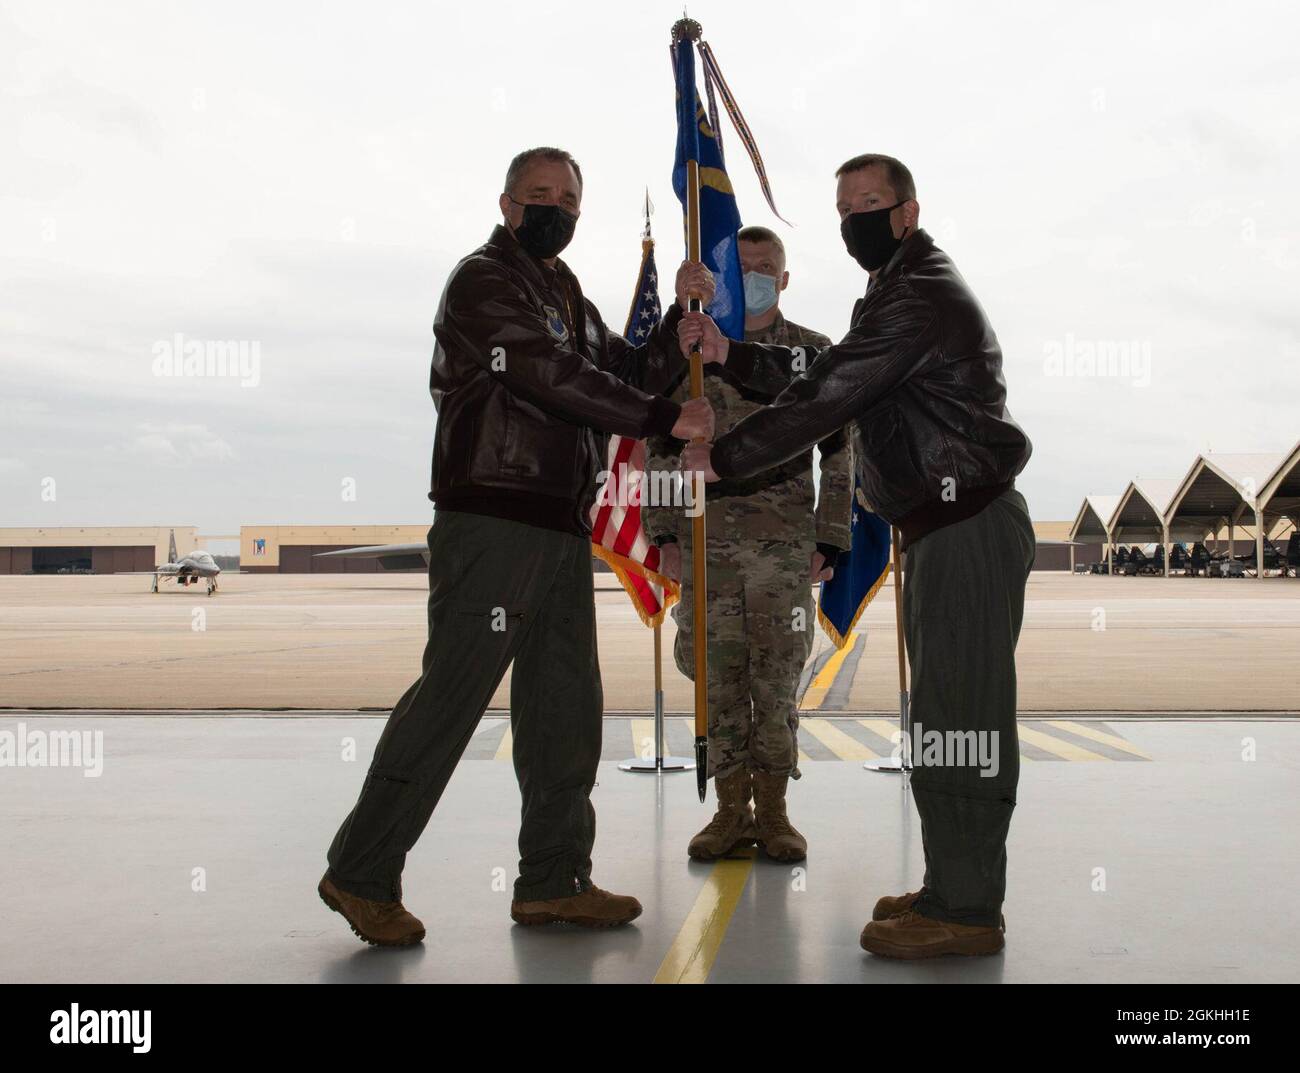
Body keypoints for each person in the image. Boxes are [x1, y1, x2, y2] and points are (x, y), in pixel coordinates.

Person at [319, 146, 716, 945]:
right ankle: (362, 869)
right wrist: (661, 419)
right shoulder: (483, 281)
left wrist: (680, 324)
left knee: (567, 707)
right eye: (540, 195)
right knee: (454, 695)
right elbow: (542, 372)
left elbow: (626, 367)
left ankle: (554, 880)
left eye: (569, 198)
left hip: (558, 522)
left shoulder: (565, 292)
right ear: (507, 205)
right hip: (494, 515)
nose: (555, 209)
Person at [678, 153, 1034, 959]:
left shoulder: (918, 293)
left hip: (966, 526)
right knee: (945, 713)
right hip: (944, 527)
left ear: (908, 211)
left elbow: (832, 393)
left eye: (870, 203)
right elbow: (827, 372)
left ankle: (968, 907)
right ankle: (954, 882)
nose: (856, 219)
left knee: (963, 719)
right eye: (844, 207)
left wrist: (724, 457)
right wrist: (734, 357)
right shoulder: (898, 288)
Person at [643, 225, 852, 863]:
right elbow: (657, 444)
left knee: (778, 681)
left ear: (784, 278)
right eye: (746, 267)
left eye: (768, 266)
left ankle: (777, 813)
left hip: (783, 549)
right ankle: (730, 812)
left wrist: (832, 536)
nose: (757, 274)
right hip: (705, 547)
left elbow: (841, 451)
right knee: (716, 681)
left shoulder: (812, 353)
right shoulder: (691, 356)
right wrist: (663, 536)